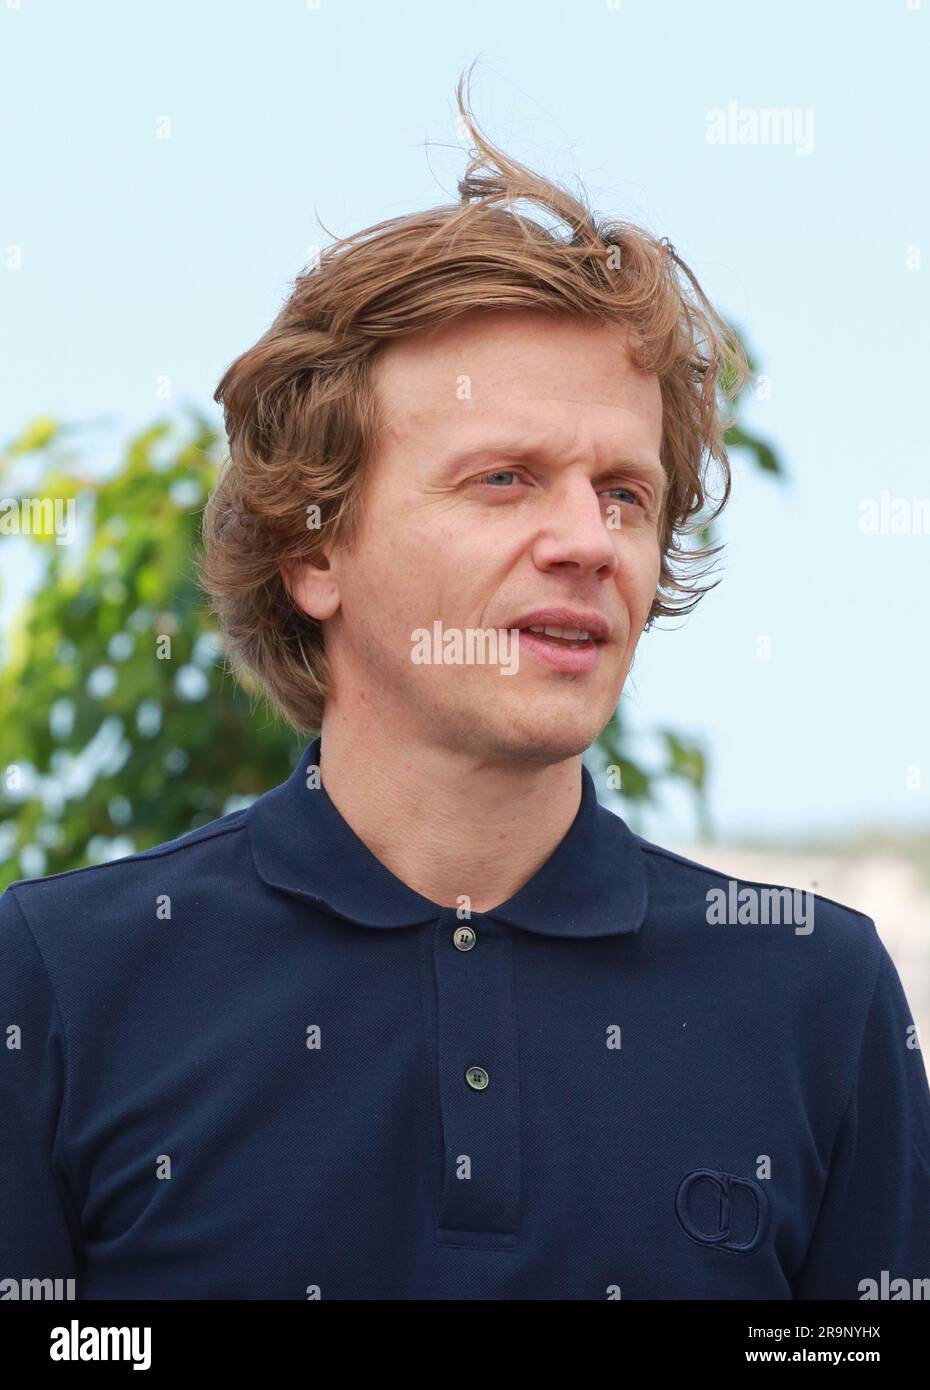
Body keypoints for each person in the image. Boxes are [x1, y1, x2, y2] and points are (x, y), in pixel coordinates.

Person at [2, 78, 928, 1301]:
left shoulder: (821, 998)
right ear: (314, 549)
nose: (588, 540)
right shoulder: (60, 980)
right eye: (503, 479)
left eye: (624, 493)